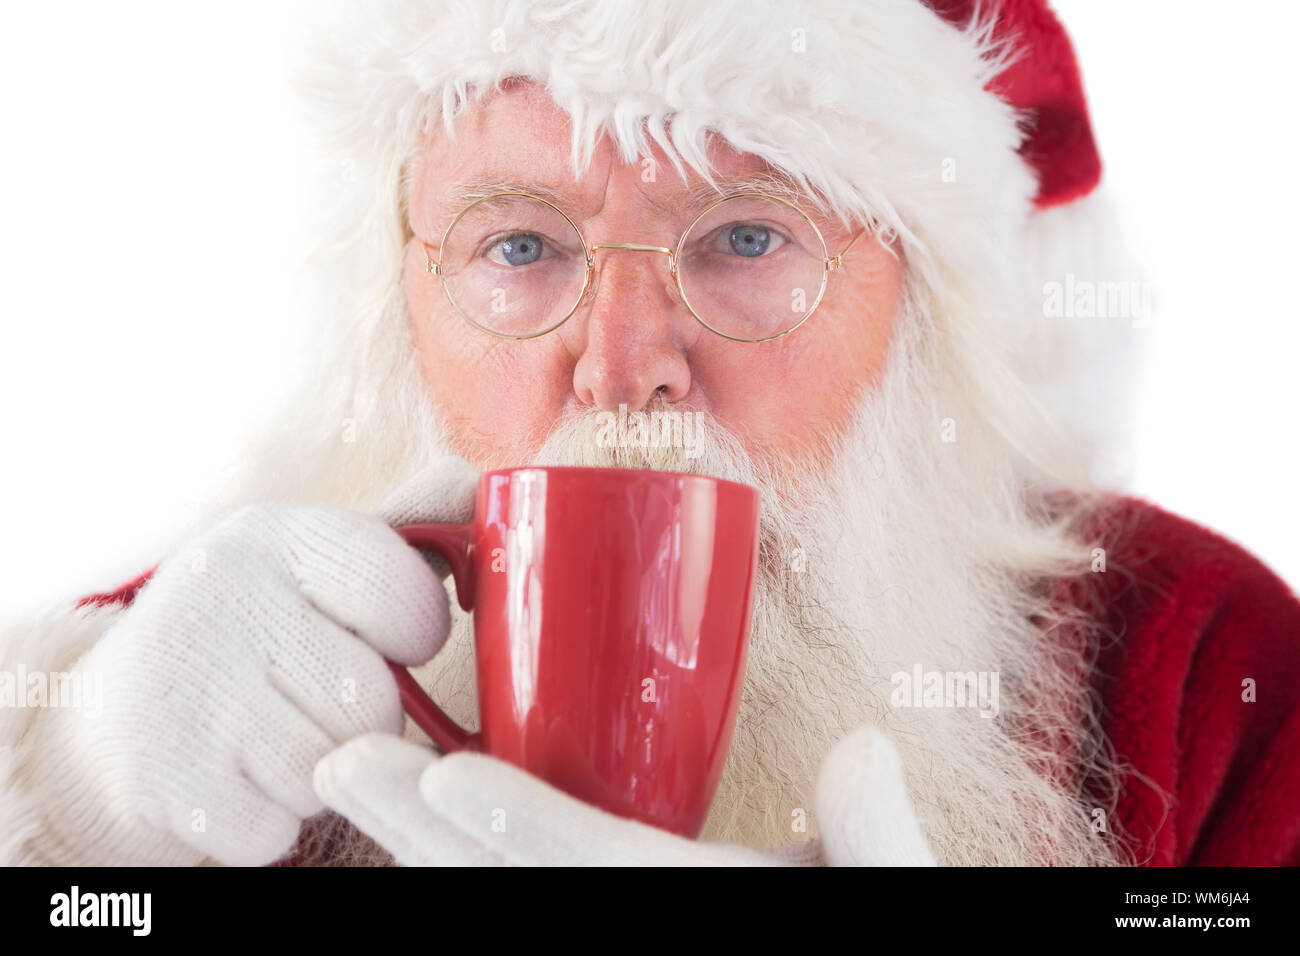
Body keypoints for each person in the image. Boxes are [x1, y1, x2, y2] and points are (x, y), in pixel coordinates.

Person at [2, 0, 1298, 867]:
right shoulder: (206, 648)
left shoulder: (1210, 674)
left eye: (746, 239)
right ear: (397, 299)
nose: (623, 370)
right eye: (519, 245)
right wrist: (73, 814)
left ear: (922, 311)